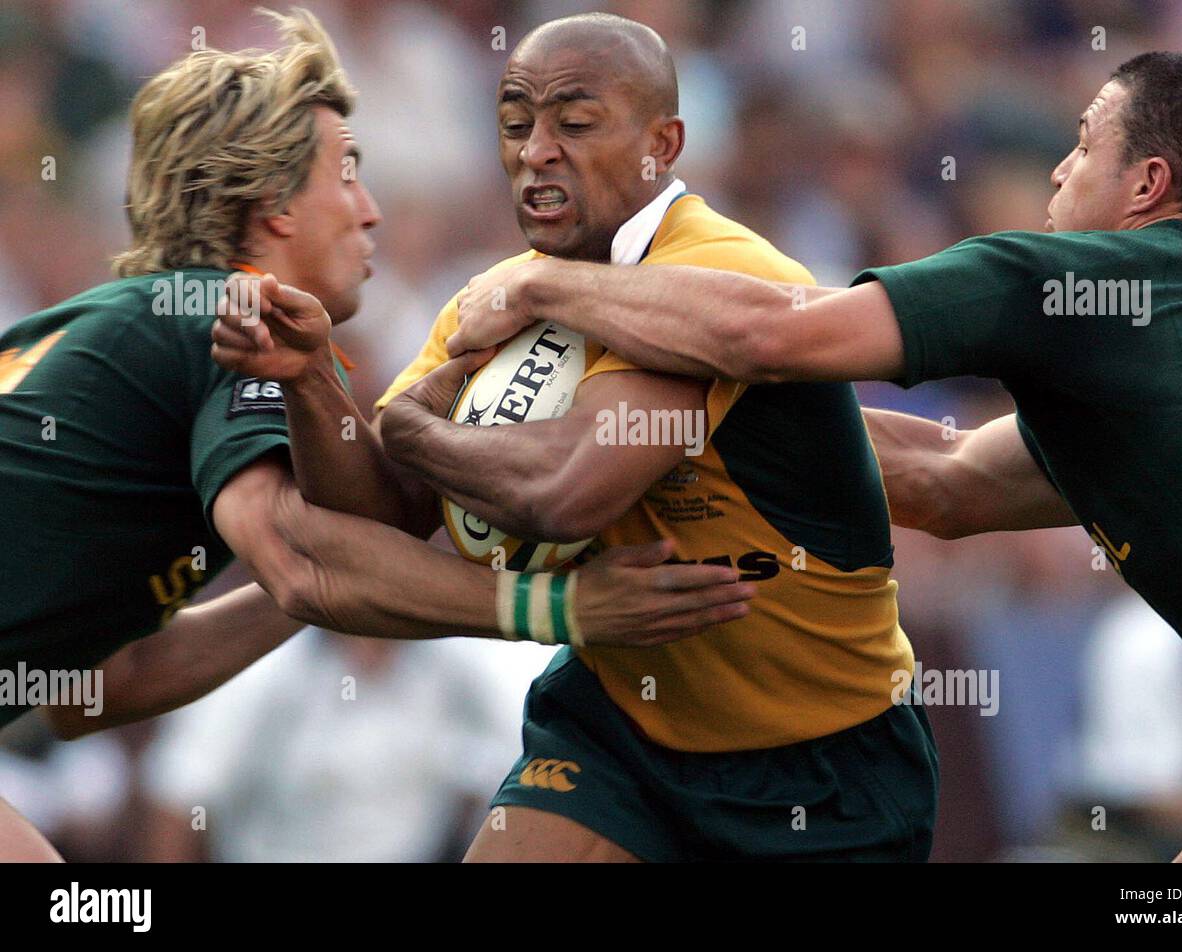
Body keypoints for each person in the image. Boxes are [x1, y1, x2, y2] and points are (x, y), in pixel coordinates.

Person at [448, 51, 1182, 861]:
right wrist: (678, 441)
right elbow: (949, 479)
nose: (1056, 171)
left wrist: (538, 284)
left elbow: (771, 333)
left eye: (1082, 145)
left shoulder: (1076, 282)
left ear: (1148, 186)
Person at [0, 8, 748, 862]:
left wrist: (349, 560)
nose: (372, 211)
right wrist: (561, 607)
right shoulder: (226, 317)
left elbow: (97, 689)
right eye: (347, 174)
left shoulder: (122, 338)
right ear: (271, 204)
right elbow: (297, 559)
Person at [214, 13, 938, 863]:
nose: (536, 150)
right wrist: (310, 381)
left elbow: (562, 492)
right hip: (619, 724)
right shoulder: (498, 294)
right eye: (516, 124)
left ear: (662, 143)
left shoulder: (716, 276)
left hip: (822, 757)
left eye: (575, 123)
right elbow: (377, 508)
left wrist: (409, 430)